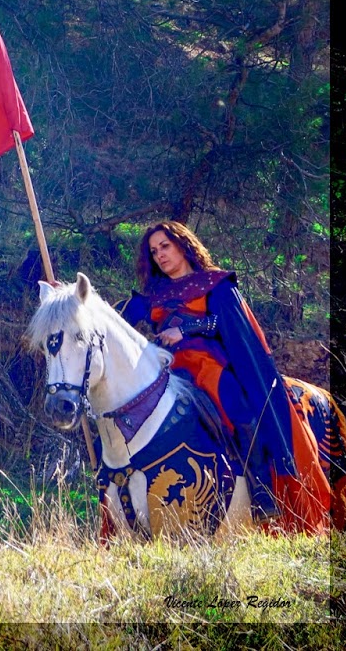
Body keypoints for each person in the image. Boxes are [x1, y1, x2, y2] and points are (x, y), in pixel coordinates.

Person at [120, 221, 330, 529]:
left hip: (208, 366)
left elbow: (225, 322)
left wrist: (186, 329)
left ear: (183, 246)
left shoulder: (214, 284)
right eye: (153, 251)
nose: (160, 255)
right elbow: (109, 317)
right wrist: (68, 297)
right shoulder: (152, 296)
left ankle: (262, 492)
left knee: (238, 405)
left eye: (165, 246)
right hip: (167, 369)